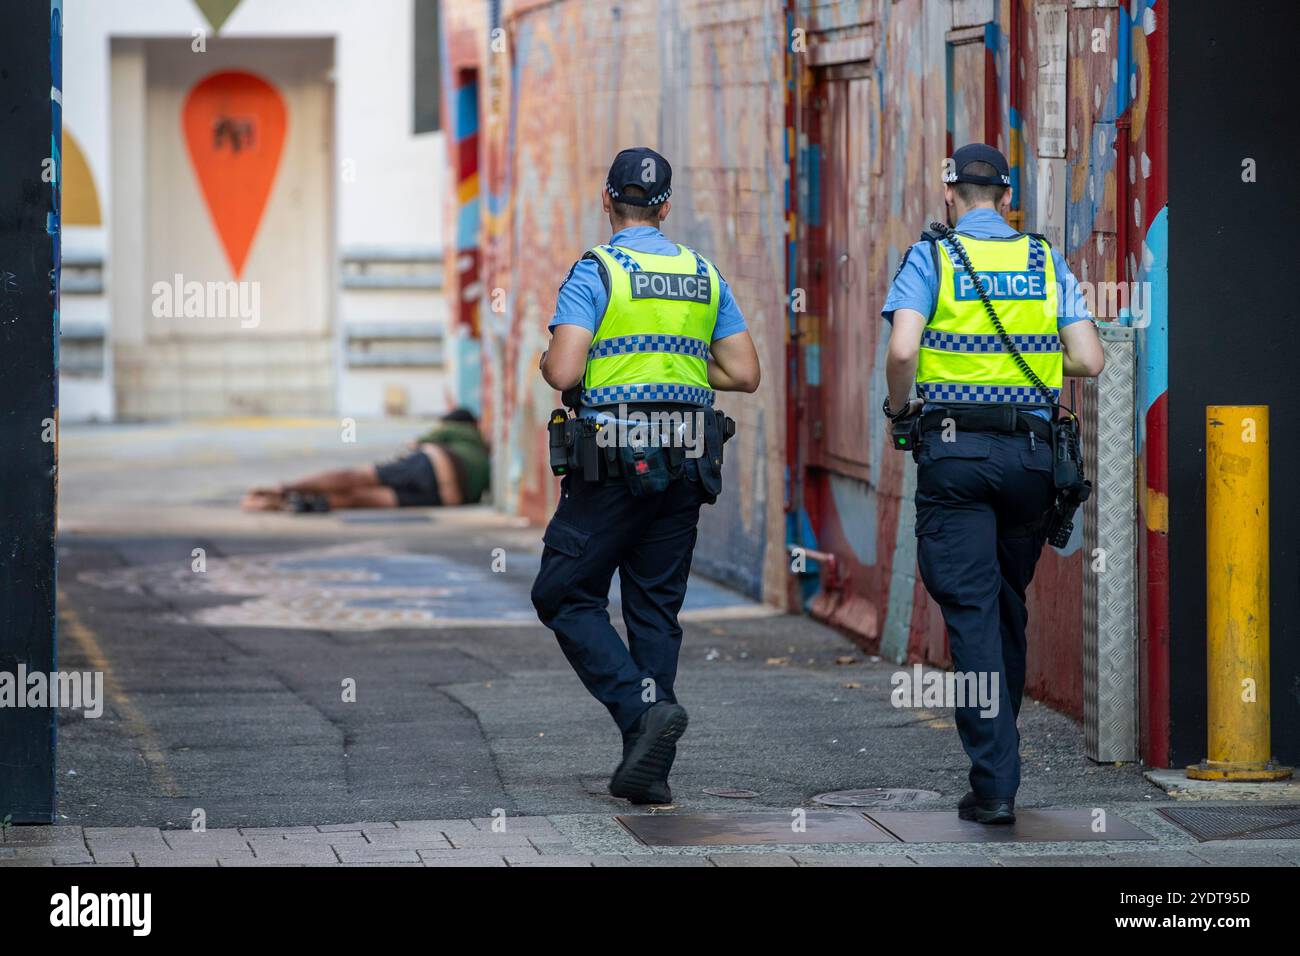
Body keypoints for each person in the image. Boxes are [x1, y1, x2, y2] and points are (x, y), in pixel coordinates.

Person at [881, 143, 1105, 824]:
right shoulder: (1042, 260)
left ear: (950, 192)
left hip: (957, 459)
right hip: (1032, 462)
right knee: (1005, 603)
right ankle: (997, 761)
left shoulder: (934, 256)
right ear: (1006, 196)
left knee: (974, 612)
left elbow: (901, 348)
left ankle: (996, 781)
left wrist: (899, 409)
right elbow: (1089, 360)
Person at [530, 147, 760, 805]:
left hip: (612, 460)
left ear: (608, 202)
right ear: (664, 207)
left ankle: (639, 711)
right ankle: (649, 770)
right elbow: (744, 373)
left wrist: (552, 362)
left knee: (563, 591)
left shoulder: (595, 270)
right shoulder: (701, 272)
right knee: (655, 610)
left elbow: (566, 371)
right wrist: (679, 368)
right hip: (686, 459)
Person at [241, 408, 490, 512]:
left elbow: (415, 444)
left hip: (437, 462)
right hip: (449, 497)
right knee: (363, 498)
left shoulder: (459, 430)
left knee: (358, 477)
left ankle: (287, 488)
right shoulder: (483, 453)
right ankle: (297, 504)